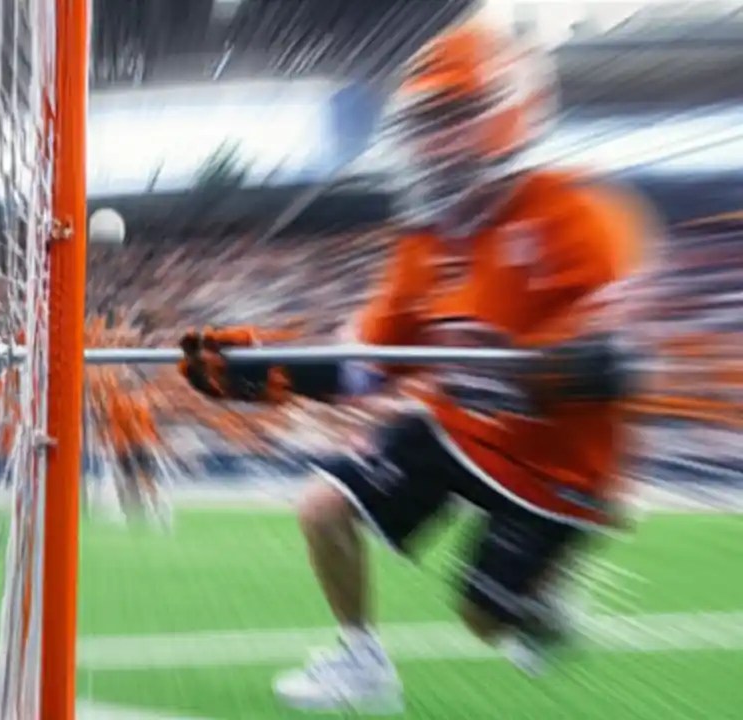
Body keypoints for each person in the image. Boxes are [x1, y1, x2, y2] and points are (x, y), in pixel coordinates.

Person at [178, 20, 653, 715]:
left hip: (557, 469)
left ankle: (538, 603)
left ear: (506, 112)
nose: (431, 142)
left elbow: (624, 352)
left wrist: (559, 369)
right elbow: (367, 366)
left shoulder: (573, 213)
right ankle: (363, 662)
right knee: (321, 508)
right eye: (423, 123)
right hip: (461, 429)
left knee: (485, 620)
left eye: (450, 117)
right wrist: (267, 370)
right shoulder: (423, 245)